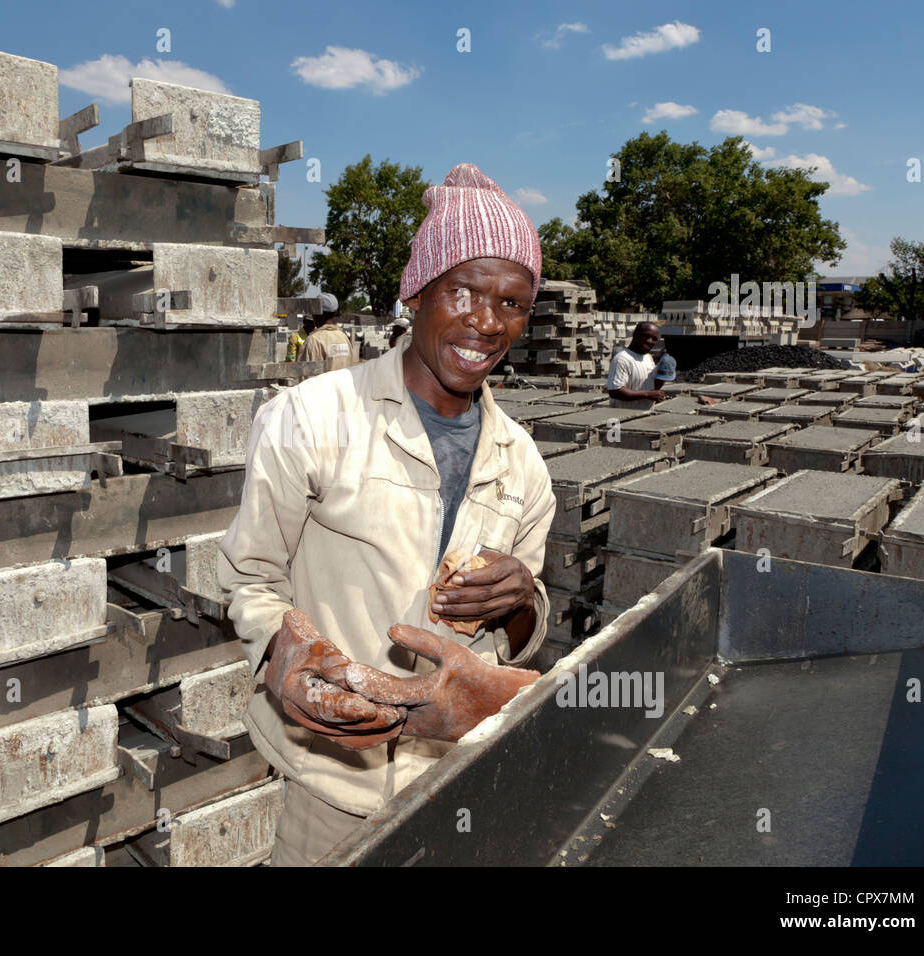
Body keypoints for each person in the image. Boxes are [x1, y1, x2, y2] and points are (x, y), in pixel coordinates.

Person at [218, 164, 555, 866]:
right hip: (336, 784)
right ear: (417, 292)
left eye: (513, 303)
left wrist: (520, 600)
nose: (487, 323)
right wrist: (283, 655)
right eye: (463, 290)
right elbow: (249, 579)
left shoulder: (521, 461)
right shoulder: (310, 419)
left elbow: (525, 633)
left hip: (463, 779)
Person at [606, 322, 666, 409]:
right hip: (624, 417)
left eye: (654, 339)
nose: (650, 341)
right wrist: (648, 394)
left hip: (643, 416)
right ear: (635, 334)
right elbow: (615, 391)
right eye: (646, 336)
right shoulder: (622, 359)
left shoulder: (648, 358)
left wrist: (662, 376)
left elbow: (650, 386)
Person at [297, 293, 354, 370]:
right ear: (335, 313)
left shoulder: (314, 341)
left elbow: (306, 377)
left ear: (316, 313)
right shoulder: (344, 338)